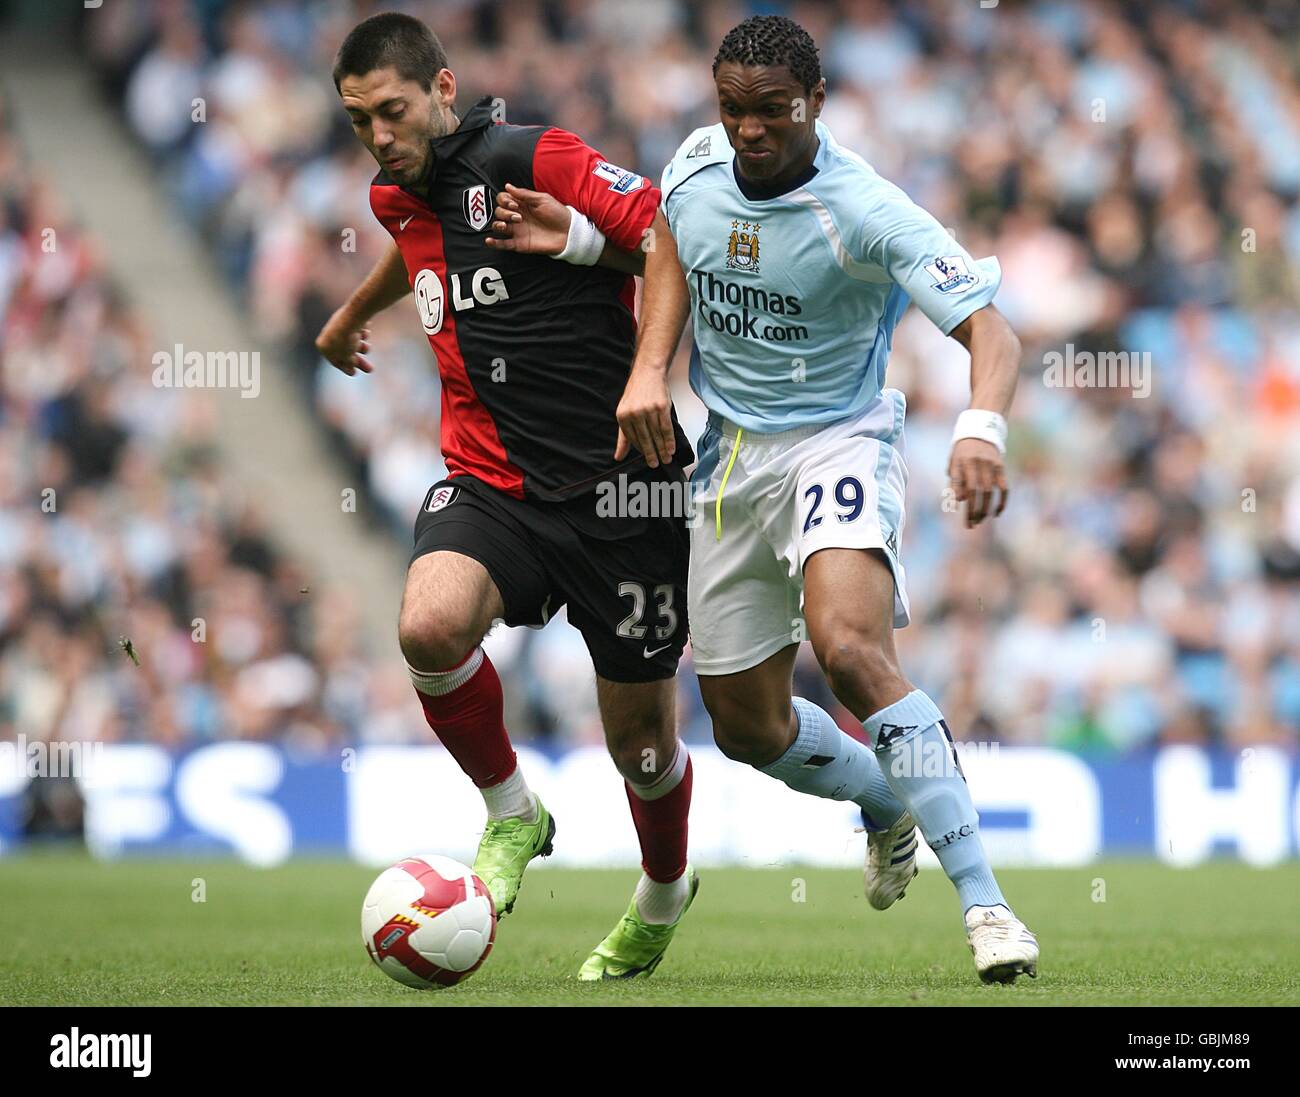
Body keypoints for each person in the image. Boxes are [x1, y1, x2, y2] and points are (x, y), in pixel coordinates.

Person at [499, 14, 1037, 983]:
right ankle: (884, 798)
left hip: (839, 439)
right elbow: (670, 243)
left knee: (849, 647)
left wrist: (978, 428)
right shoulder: (697, 164)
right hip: (729, 461)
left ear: (815, 105)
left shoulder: (867, 209)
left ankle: (987, 904)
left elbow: (991, 334)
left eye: (771, 112)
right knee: (747, 725)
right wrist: (641, 350)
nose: (748, 130)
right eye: (733, 109)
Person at [317, 12, 697, 981]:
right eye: (360, 121)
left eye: (393, 112)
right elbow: (421, 251)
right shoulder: (396, 196)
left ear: (443, 92)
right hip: (493, 481)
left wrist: (650, 370)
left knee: (642, 747)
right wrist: (354, 313)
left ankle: (660, 892)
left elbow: (667, 238)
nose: (380, 136)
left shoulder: (537, 154)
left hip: (623, 484)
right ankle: (513, 811)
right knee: (429, 625)